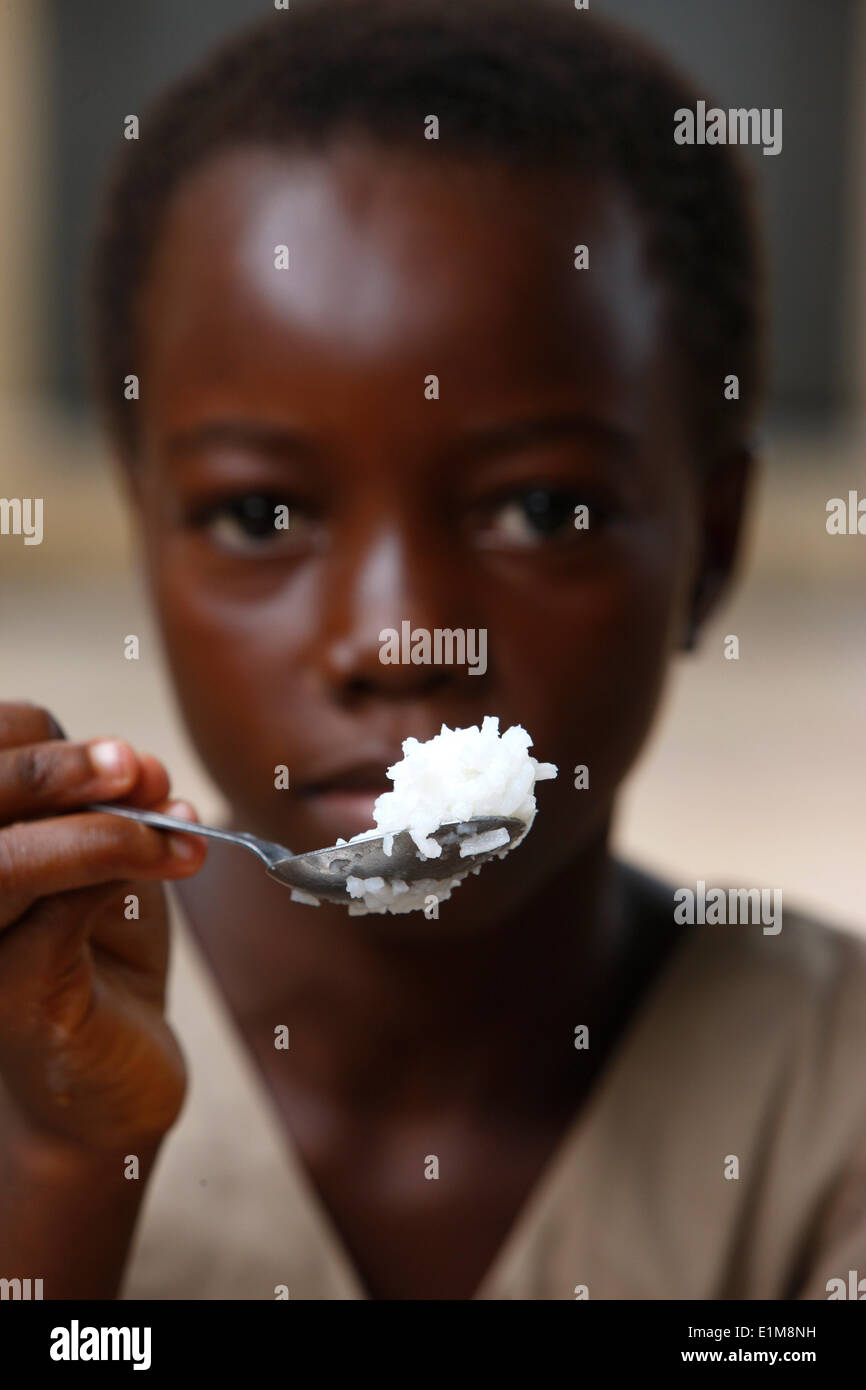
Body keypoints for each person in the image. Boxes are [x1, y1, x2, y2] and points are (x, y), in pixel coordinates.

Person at [2, 0, 864, 1301]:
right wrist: (59, 1169)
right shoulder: (22, 1048)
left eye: (541, 511)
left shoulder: (824, 1096)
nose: (400, 638)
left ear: (713, 543)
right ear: (143, 527)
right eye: (258, 515)